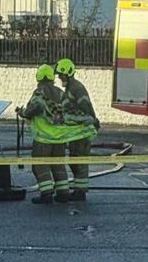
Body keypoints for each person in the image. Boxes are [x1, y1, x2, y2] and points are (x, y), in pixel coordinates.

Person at [18, 64, 71, 204]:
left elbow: (35, 107)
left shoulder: (39, 92)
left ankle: (46, 194)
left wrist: (23, 113)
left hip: (43, 138)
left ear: (39, 77)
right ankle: (63, 193)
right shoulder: (60, 93)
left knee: (40, 166)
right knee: (58, 165)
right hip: (60, 137)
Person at [57, 58, 100, 202]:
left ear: (68, 74)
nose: (59, 77)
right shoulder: (70, 89)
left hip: (82, 133)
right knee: (74, 161)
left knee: (79, 162)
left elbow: (86, 111)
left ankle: (80, 192)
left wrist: (69, 118)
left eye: (61, 75)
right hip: (75, 133)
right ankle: (78, 189)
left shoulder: (77, 88)